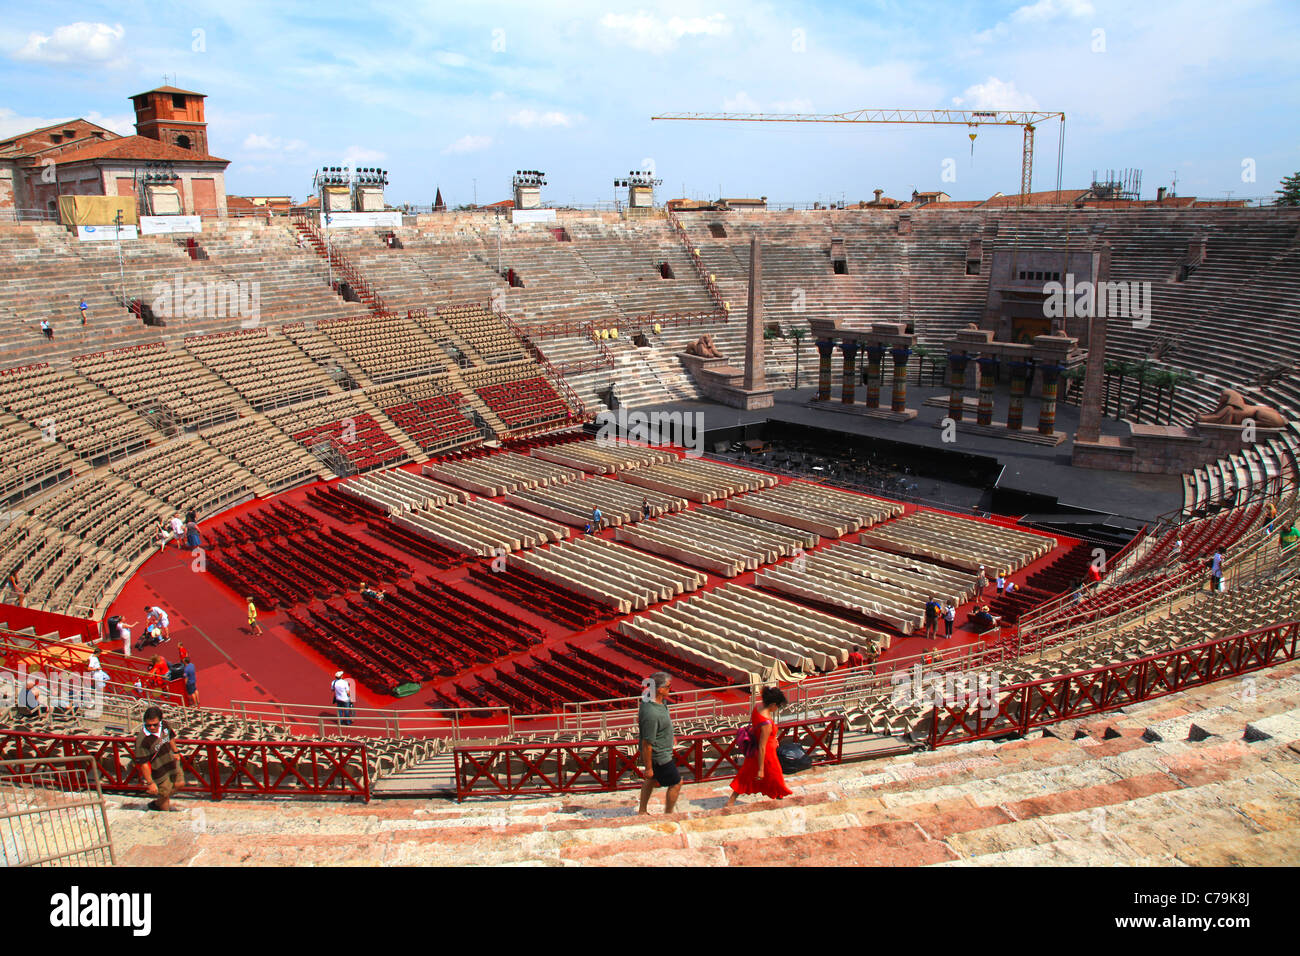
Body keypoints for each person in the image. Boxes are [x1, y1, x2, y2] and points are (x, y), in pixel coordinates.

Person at [725, 686, 793, 808]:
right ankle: (779, 798)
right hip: (766, 754)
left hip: (760, 748)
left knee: (745, 775)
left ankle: (731, 800)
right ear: (772, 704)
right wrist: (761, 768)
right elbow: (762, 746)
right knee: (775, 776)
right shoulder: (766, 723)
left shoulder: (758, 707)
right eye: (778, 706)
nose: (777, 709)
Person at [637, 671, 681, 815]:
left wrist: (670, 734)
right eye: (668, 686)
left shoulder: (651, 699)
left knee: (651, 781)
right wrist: (648, 768)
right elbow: (647, 743)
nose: (671, 689)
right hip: (659, 756)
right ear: (660, 689)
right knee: (676, 783)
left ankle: (642, 811)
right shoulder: (652, 713)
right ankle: (668, 814)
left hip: (660, 751)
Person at [133, 706, 184, 811]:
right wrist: (150, 783)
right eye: (148, 725)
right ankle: (165, 814)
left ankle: (157, 803)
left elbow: (170, 737)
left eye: (154, 725)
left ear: (160, 722)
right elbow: (143, 763)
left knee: (180, 783)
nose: (151, 727)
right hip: (159, 770)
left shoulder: (164, 725)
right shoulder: (142, 740)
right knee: (165, 796)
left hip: (172, 762)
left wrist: (176, 752)